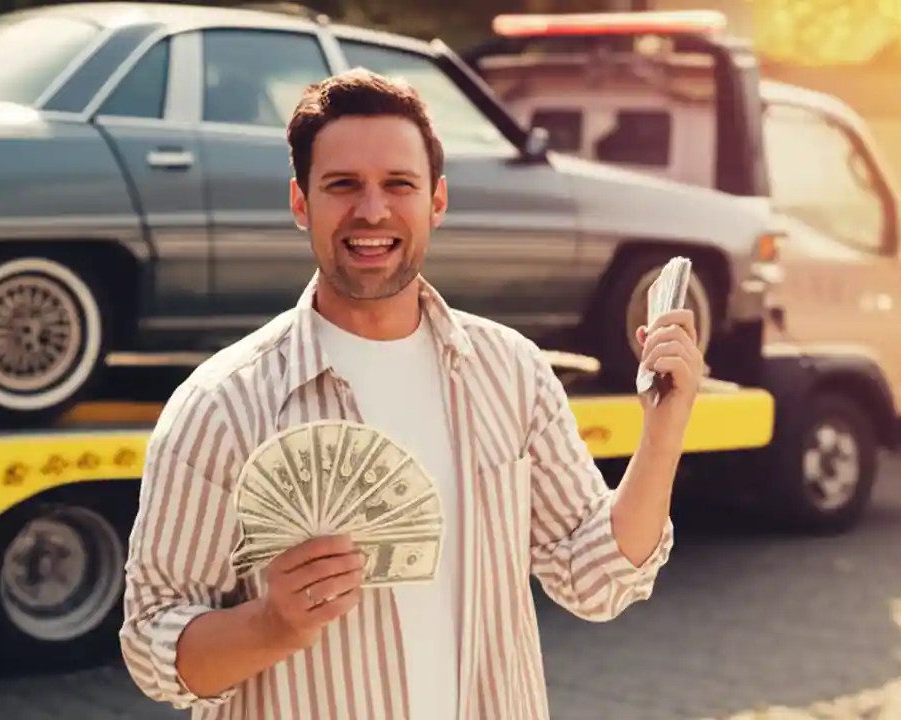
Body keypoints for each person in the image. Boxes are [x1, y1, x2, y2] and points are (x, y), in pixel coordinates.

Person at [119, 68, 704, 720]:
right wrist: (271, 623)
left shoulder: (510, 372)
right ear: (299, 202)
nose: (372, 210)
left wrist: (665, 425)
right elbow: (151, 644)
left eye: (399, 184)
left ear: (438, 201)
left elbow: (597, 580)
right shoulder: (222, 406)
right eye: (343, 186)